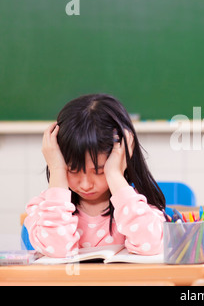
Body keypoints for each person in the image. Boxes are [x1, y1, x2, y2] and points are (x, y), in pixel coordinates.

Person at [24, 94, 166, 257]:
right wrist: (57, 170)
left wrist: (114, 174)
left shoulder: (138, 207)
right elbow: (57, 251)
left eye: (99, 171)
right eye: (72, 170)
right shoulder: (47, 208)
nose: (85, 184)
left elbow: (153, 245)